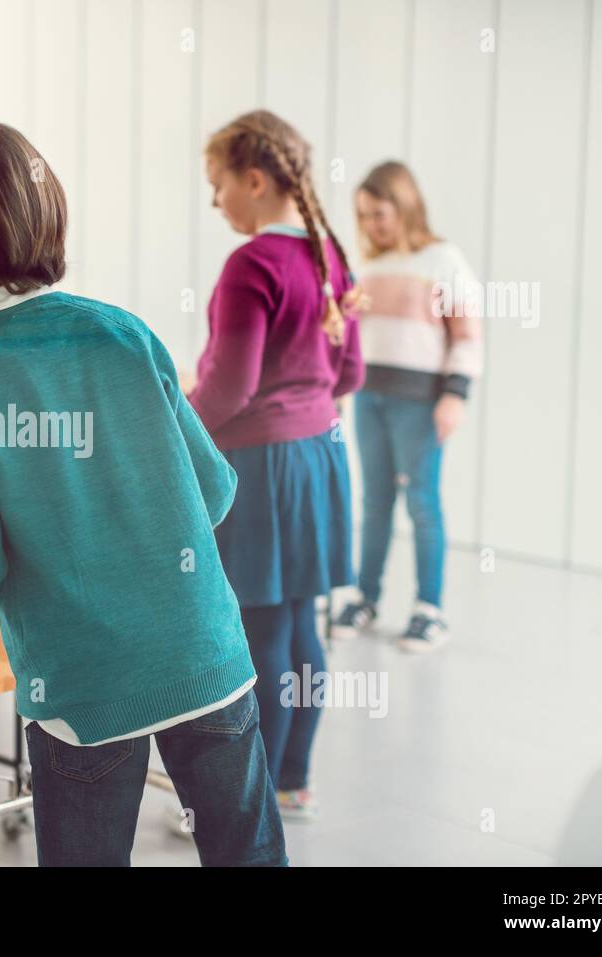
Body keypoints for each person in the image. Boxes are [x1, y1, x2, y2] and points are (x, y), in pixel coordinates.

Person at [0, 120, 286, 867]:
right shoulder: (125, 336)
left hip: (82, 693)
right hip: (209, 659)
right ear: (47, 216)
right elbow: (211, 490)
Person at [189, 109, 364, 821]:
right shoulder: (332, 257)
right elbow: (348, 372)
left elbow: (231, 385)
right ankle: (293, 781)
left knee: (258, 631)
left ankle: (247, 798)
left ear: (254, 180)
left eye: (217, 184)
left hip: (262, 470)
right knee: (300, 626)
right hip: (321, 460)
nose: (215, 201)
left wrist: (179, 434)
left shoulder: (252, 263)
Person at [332, 161, 482, 652]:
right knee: (375, 502)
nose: (372, 224)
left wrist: (455, 396)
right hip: (370, 397)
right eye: (364, 216)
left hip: (421, 403)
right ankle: (365, 596)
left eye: (380, 212)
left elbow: (467, 335)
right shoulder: (368, 267)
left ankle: (429, 609)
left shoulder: (443, 260)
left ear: (405, 204)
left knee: (423, 503)